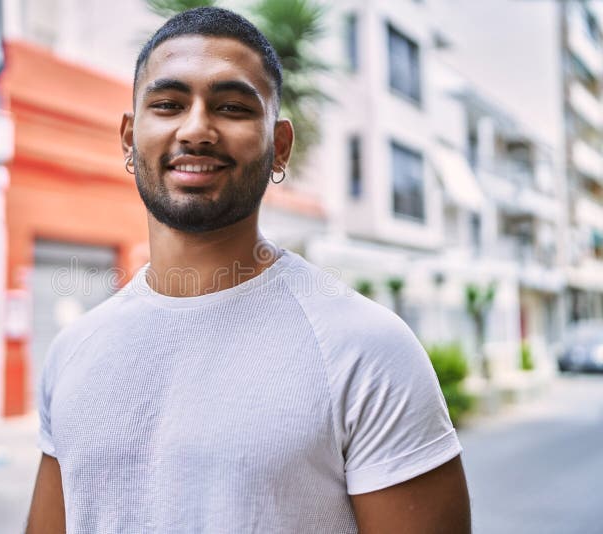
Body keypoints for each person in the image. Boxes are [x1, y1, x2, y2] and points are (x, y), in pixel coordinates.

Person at [26, 7, 470, 533]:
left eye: (232, 107)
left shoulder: (367, 350)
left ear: (279, 146)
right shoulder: (73, 351)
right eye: (168, 104)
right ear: (129, 138)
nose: (195, 129)